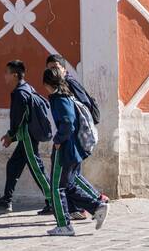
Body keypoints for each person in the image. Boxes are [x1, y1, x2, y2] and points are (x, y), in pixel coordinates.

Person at [42, 66, 109, 237]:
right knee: (69, 185)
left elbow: (67, 123)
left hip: (65, 149)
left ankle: (64, 225)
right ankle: (96, 206)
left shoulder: (59, 99)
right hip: (73, 149)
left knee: (56, 188)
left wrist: (57, 141)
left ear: (48, 83)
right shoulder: (66, 96)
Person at [0, 60, 52, 213]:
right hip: (25, 137)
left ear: (15, 75)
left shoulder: (20, 93)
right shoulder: (27, 88)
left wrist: (11, 135)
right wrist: (13, 135)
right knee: (13, 166)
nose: (5, 76)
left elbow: (18, 119)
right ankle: (6, 200)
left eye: (7, 73)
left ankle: (53, 201)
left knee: (37, 169)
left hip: (28, 138)